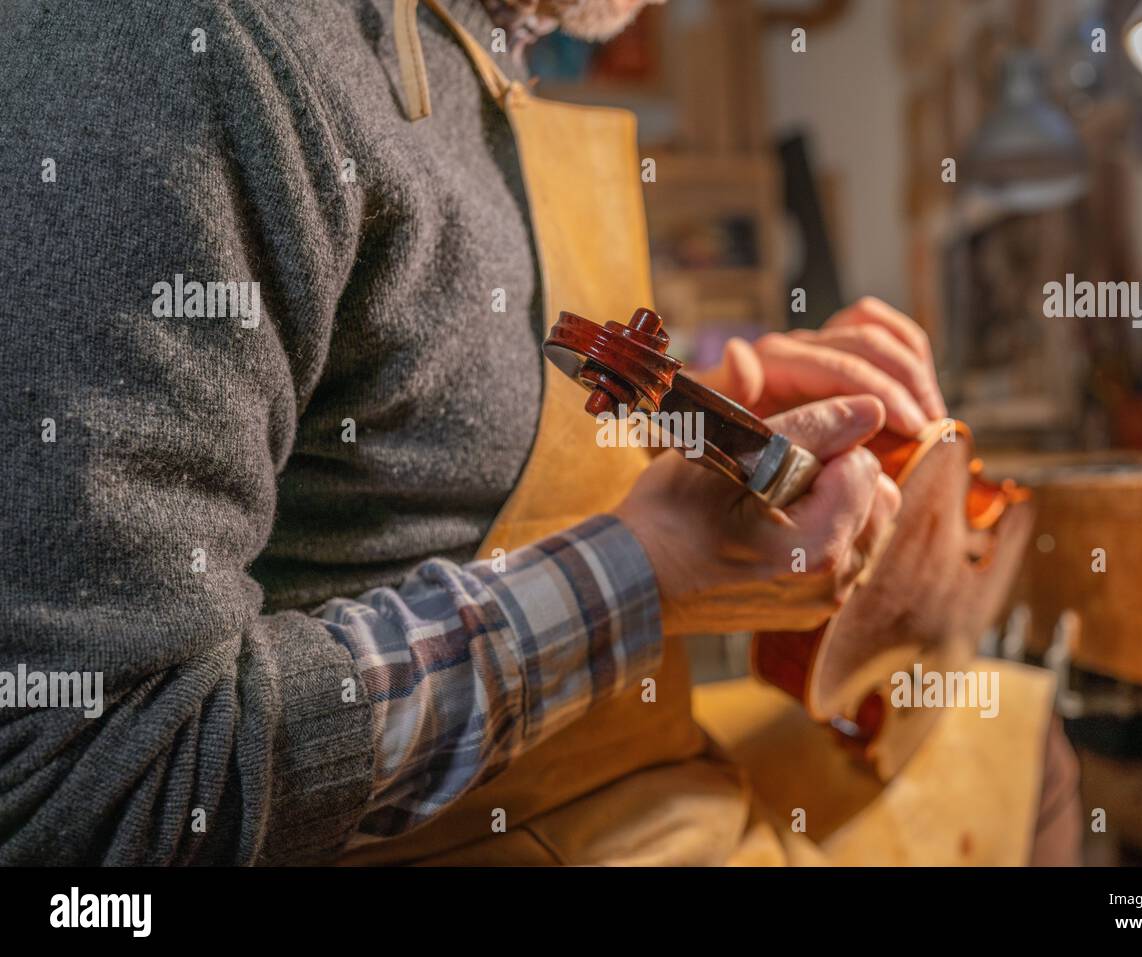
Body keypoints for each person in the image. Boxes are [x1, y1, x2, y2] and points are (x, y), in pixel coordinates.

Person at [0, 0, 1077, 865]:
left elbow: (408, 455)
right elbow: (93, 789)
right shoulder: (182, 48)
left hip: (619, 768)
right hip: (451, 832)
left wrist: (699, 403)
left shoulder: (476, 48)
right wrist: (648, 574)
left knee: (1018, 736)